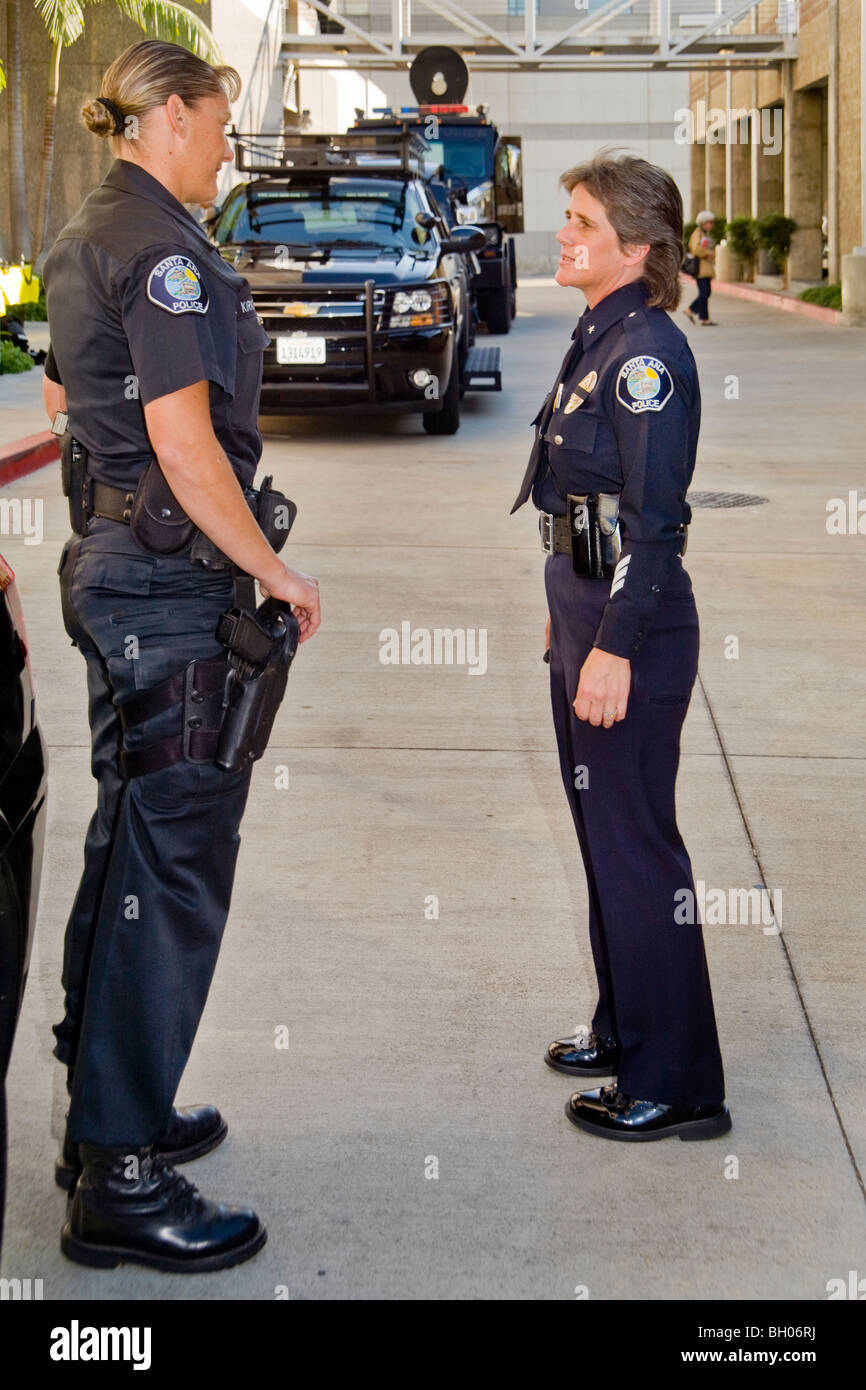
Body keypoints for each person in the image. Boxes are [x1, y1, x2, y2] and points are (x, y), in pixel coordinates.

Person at [41, 39, 321, 1271]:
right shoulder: (157, 252)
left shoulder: (90, 230)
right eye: (218, 121)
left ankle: (110, 1115)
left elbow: (65, 404)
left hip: (120, 571)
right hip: (168, 587)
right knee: (173, 873)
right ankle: (123, 1178)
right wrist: (270, 569)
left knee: (128, 850)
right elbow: (183, 438)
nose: (227, 143)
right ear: (166, 115)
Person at [511, 151, 731, 1142]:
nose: (563, 234)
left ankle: (676, 1080)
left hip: (628, 628)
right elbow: (578, 505)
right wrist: (566, 617)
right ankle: (625, 1028)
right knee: (606, 837)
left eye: (581, 222)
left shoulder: (645, 355)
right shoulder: (600, 334)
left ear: (634, 248)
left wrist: (610, 645)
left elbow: (653, 521)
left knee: (637, 846)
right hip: (588, 610)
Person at [684, 210, 717, 326]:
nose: (711, 225)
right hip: (700, 268)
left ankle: (697, 313)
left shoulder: (704, 234)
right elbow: (696, 249)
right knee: (704, 293)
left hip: (706, 268)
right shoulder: (697, 234)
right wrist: (708, 253)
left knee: (706, 293)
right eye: (709, 222)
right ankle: (702, 316)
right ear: (703, 222)